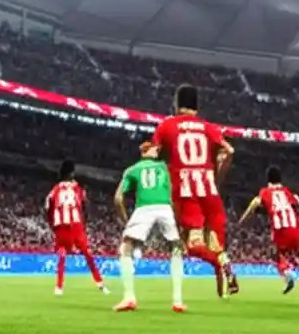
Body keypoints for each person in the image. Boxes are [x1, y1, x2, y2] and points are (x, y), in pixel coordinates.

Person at [150, 84, 238, 298]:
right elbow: (229, 151)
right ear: (197, 106)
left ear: (177, 103)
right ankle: (222, 283)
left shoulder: (167, 126)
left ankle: (220, 263)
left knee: (194, 245)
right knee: (215, 244)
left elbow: (154, 154)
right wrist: (216, 179)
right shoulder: (210, 128)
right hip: (209, 191)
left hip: (186, 191)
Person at [113, 141, 185, 313]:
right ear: (149, 151)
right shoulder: (165, 168)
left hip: (143, 208)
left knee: (126, 248)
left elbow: (117, 199)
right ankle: (177, 300)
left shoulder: (131, 170)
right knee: (176, 247)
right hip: (165, 207)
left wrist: (125, 221)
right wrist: (179, 222)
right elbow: (174, 195)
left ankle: (129, 297)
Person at [237, 166, 299, 297]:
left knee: (276, 254)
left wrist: (243, 219)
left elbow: (255, 202)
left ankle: (287, 272)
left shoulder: (265, 192)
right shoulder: (287, 191)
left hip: (281, 230)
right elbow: (297, 199)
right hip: (296, 228)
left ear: (267, 180)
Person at [46, 160, 109, 297]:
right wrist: (85, 218)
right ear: (72, 173)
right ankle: (100, 284)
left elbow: (47, 207)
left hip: (60, 225)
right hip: (75, 224)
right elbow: (84, 204)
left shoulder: (55, 189)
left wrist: (52, 223)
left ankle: (59, 287)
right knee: (87, 254)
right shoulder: (77, 188)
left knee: (62, 254)